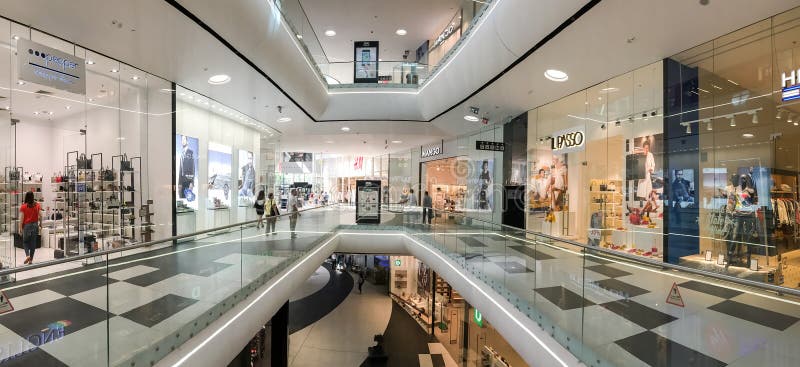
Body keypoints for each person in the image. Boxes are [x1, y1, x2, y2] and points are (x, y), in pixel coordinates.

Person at [19, 191, 41, 265]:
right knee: (33, 243)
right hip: (35, 225)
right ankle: (31, 260)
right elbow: (40, 216)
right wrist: (41, 224)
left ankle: (27, 256)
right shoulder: (37, 205)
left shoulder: (24, 206)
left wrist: (20, 227)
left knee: (25, 242)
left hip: (27, 226)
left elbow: (21, 219)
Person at [178, 135, 195, 199]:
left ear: (187, 141)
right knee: (181, 199)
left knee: (187, 199)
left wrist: (192, 182)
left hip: (188, 182)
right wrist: (179, 183)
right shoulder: (182, 153)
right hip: (182, 182)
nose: (182, 141)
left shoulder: (190, 152)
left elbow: (193, 168)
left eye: (184, 139)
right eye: (182, 140)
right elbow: (180, 170)